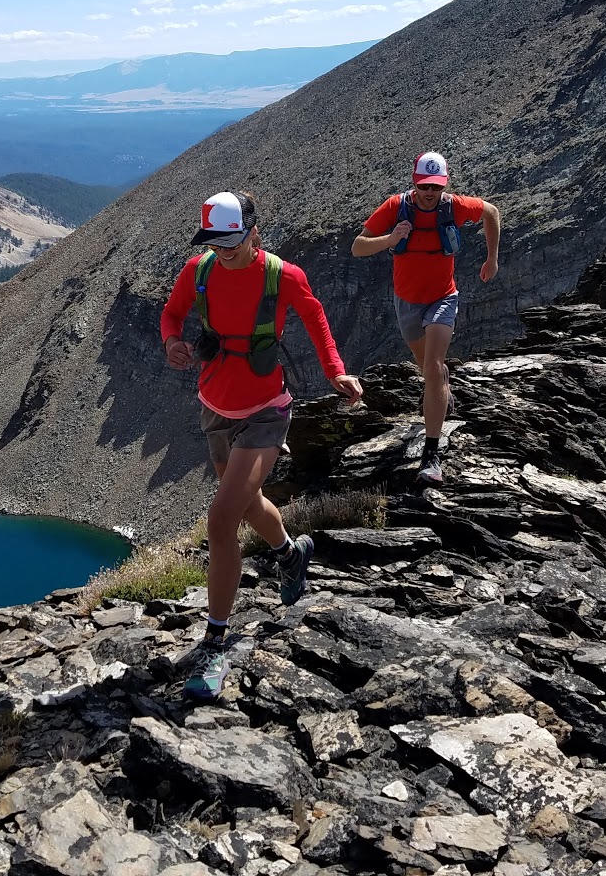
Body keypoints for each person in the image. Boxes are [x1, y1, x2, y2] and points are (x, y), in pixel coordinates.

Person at [161, 190, 363, 701]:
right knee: (246, 502)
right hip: (214, 406)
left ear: (252, 231)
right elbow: (172, 313)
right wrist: (172, 343)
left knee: (221, 517)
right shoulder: (198, 271)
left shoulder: (283, 276)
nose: (222, 251)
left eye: (230, 242)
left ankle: (215, 641)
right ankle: (292, 555)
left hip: (267, 411)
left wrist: (336, 372)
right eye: (214, 242)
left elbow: (317, 321)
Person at [352, 151, 500, 484]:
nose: (429, 193)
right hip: (407, 303)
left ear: (444, 184)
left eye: (435, 186)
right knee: (428, 369)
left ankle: (431, 456)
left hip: (443, 298)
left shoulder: (455, 206)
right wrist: (390, 239)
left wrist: (492, 259)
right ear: (414, 182)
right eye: (423, 186)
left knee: (432, 367)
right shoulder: (395, 207)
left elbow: (490, 211)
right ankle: (442, 385)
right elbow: (358, 246)